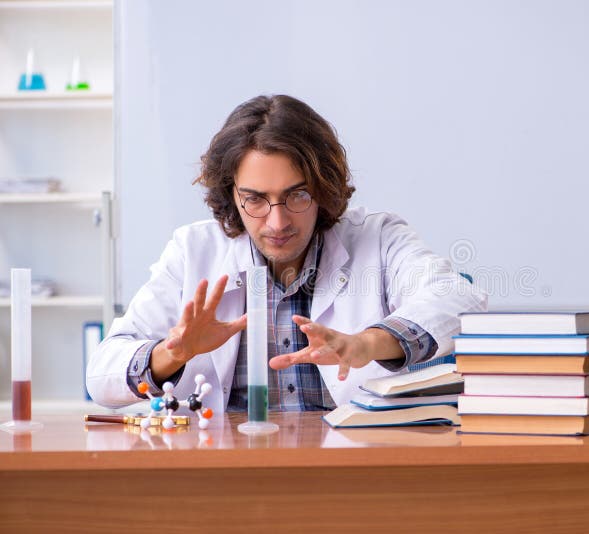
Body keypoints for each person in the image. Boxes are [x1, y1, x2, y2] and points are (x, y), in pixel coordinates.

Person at [87, 94, 487, 413]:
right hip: (225, 475)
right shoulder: (192, 252)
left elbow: (459, 299)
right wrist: (172, 353)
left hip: (352, 467)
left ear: (323, 187)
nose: (277, 223)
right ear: (232, 195)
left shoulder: (377, 237)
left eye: (297, 195)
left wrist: (367, 344)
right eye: (255, 199)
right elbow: (101, 373)